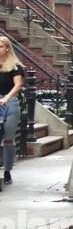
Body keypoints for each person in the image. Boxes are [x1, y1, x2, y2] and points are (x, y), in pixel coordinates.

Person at [0, 35, 26, 185]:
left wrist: (6, 98)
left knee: (8, 139)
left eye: (1, 46)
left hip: (9, 103)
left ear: (7, 48)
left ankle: (7, 170)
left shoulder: (14, 66)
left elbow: (17, 86)